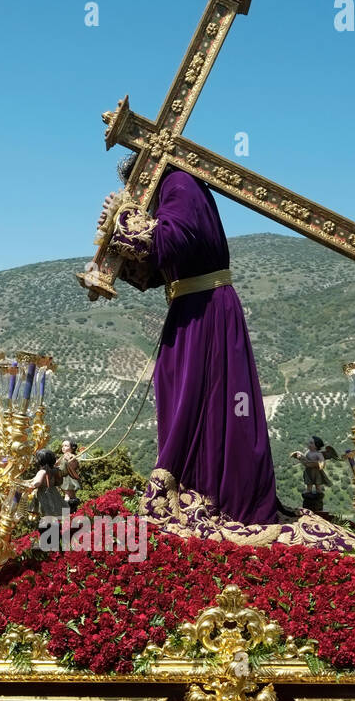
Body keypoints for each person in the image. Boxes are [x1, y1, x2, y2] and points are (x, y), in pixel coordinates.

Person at [100, 160, 277, 527]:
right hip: (190, 309)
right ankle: (193, 485)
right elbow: (154, 268)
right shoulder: (175, 188)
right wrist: (116, 231)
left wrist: (125, 216)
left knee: (208, 403)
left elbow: (168, 241)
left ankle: (214, 493)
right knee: (185, 399)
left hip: (205, 311)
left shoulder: (180, 183)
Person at [21, 449, 65, 531]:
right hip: (53, 492)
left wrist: (30, 486)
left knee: (46, 513)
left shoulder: (42, 472)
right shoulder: (53, 470)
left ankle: (48, 531)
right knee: (52, 512)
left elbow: (37, 482)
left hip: (44, 494)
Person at [57, 439, 81, 505]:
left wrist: (69, 459)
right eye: (63, 446)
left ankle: (66, 513)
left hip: (69, 478)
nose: (63, 447)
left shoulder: (70, 456)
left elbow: (74, 464)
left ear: (72, 448)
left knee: (68, 495)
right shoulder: (64, 456)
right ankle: (73, 511)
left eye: (66, 446)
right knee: (71, 495)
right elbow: (57, 463)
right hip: (64, 477)